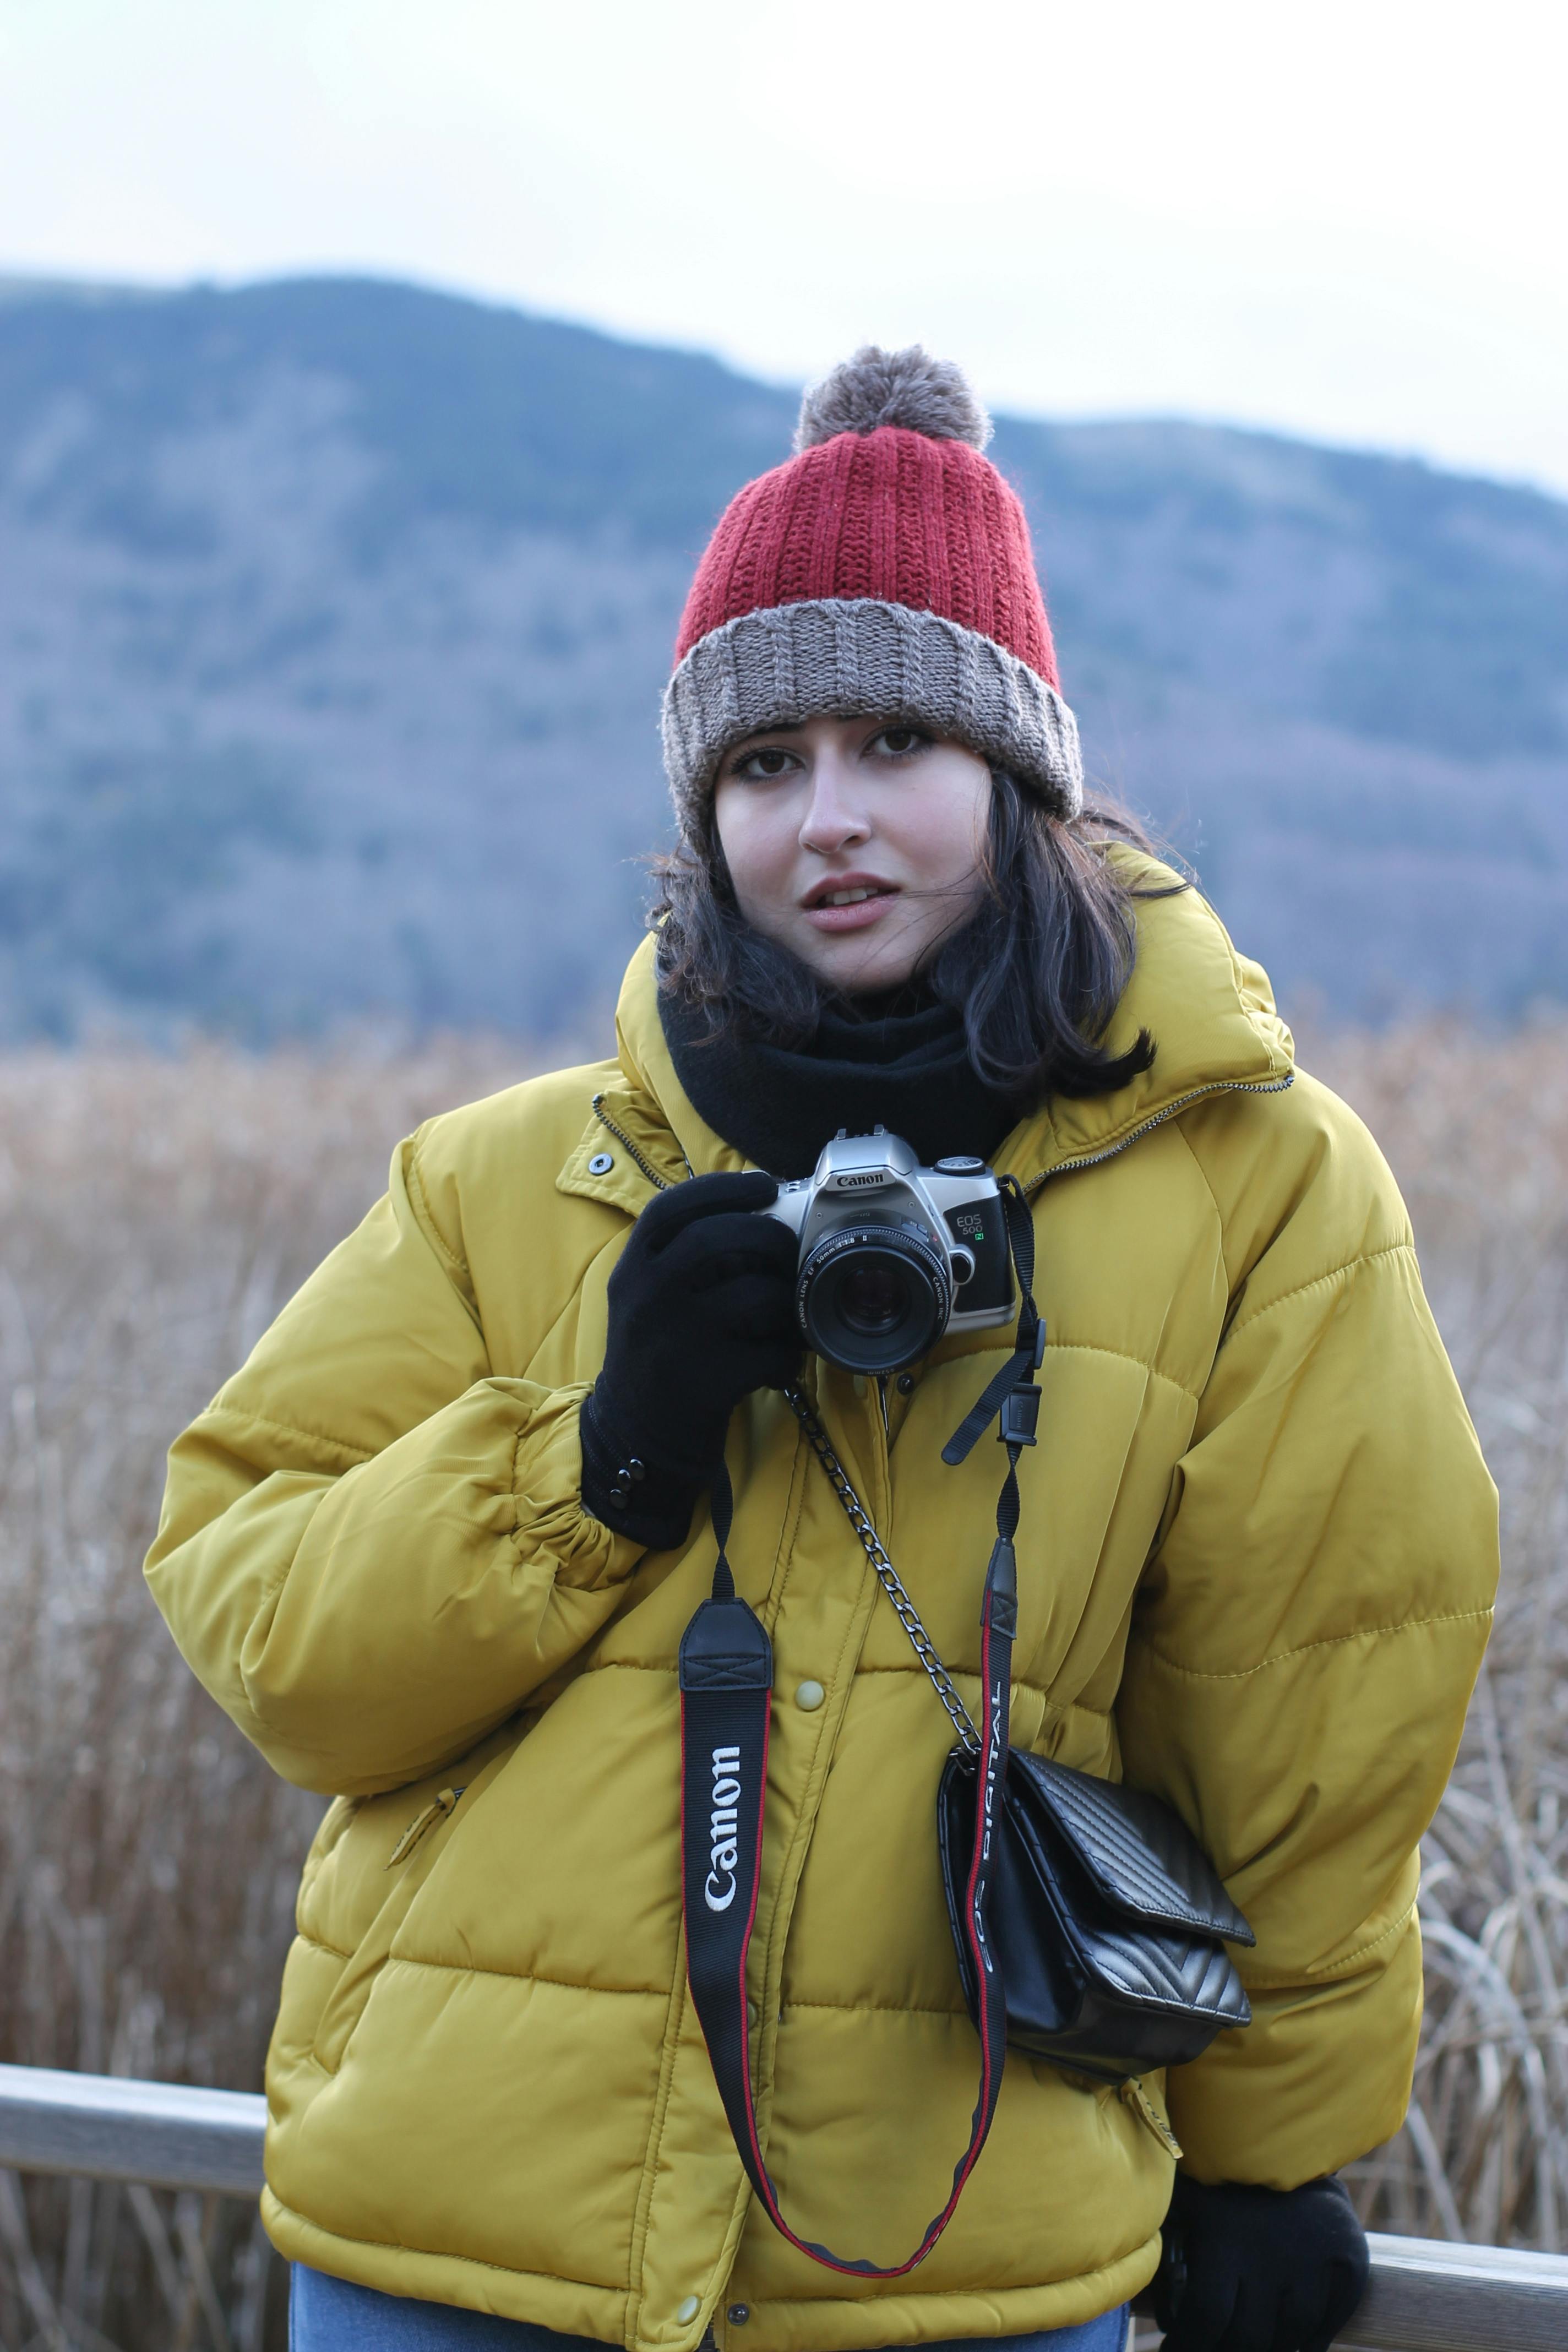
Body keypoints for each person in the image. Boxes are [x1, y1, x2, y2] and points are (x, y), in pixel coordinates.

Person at [146, 347, 1498, 2352]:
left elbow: (1318, 1706)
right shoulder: (524, 1173)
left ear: (1016, 772)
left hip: (955, 2257)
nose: (832, 821)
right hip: (455, 2234)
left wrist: (1271, 2160)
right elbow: (256, 1614)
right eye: (766, 767)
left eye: (893, 743)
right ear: (703, 809)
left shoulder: (1248, 1187)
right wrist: (594, 1459)